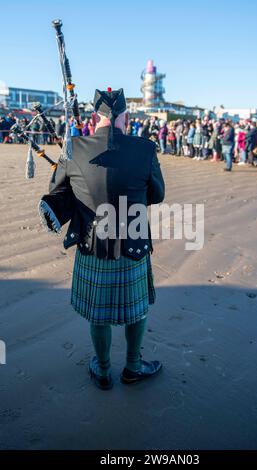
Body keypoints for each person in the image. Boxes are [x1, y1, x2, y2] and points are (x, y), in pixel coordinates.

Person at [39, 87, 165, 391]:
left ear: (96, 116)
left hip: (91, 243)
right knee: (138, 309)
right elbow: (157, 195)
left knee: (99, 313)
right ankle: (133, 368)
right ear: (125, 116)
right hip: (132, 242)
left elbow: (57, 192)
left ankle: (104, 370)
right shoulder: (145, 148)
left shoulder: (74, 148)